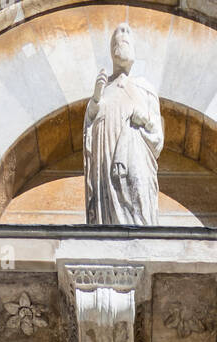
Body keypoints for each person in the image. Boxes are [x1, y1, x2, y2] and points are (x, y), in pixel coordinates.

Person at [83, 23, 164, 226]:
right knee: (108, 210)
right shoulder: (103, 88)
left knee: (138, 197)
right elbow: (89, 127)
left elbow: (157, 137)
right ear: (112, 52)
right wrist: (96, 97)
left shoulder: (145, 88)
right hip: (105, 155)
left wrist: (144, 118)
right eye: (117, 41)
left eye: (127, 38)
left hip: (136, 155)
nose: (123, 35)